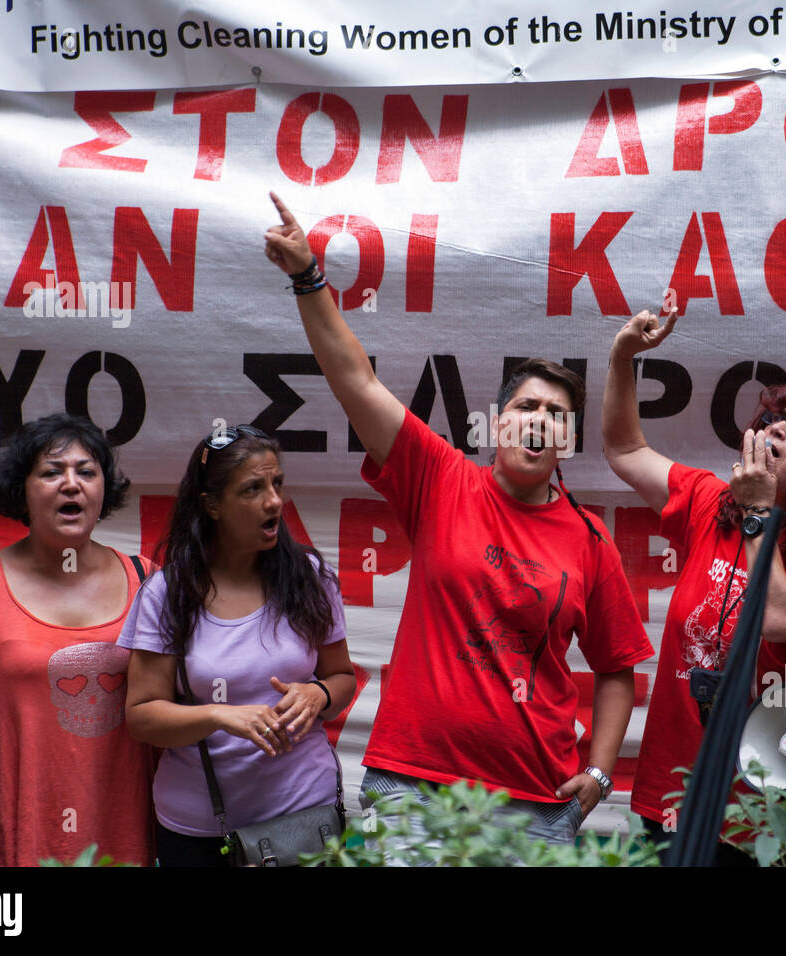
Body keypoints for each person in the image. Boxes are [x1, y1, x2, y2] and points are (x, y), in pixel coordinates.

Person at [263, 192, 652, 843]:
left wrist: (602, 772)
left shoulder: (590, 541)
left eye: (557, 415)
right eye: (526, 405)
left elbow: (617, 668)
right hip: (414, 785)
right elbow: (355, 380)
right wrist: (309, 277)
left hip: (535, 803)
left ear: (567, 440)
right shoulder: (440, 479)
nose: (540, 420)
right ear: (497, 421)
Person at [601, 309, 786, 852]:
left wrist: (761, 511)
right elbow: (624, 450)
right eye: (776, 416)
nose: (776, 425)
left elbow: (777, 620)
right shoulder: (712, 503)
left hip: (769, 817)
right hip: (673, 794)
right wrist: (622, 357)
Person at [121, 424, 355, 866]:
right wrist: (218, 715)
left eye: (277, 483)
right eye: (252, 489)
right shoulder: (167, 593)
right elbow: (141, 717)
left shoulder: (309, 576)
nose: (274, 501)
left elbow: (341, 676)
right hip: (202, 831)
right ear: (212, 506)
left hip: (305, 817)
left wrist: (317, 693)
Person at [0, 414, 154, 867]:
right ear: (20, 489)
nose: (71, 484)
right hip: (4, 831)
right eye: (51, 472)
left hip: (120, 832)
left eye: (86, 471)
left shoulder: (147, 580)